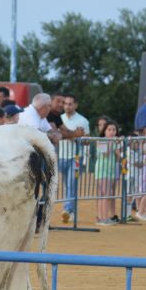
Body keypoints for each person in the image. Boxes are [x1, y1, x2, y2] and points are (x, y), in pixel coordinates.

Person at [58, 94, 90, 223]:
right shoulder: (59, 119)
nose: (67, 106)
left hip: (76, 156)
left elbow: (88, 140)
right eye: (65, 103)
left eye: (70, 104)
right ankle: (72, 211)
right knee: (67, 185)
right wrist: (73, 134)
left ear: (75, 105)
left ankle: (67, 209)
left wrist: (78, 138)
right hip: (62, 155)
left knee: (72, 183)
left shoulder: (83, 120)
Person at [94, 120, 122, 226]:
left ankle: (103, 217)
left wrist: (121, 144)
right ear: (105, 131)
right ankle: (103, 218)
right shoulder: (100, 141)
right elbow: (105, 153)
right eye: (109, 130)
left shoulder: (114, 142)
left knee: (106, 193)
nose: (112, 132)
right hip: (102, 170)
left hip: (110, 170)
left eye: (114, 130)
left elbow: (119, 156)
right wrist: (112, 142)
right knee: (104, 193)